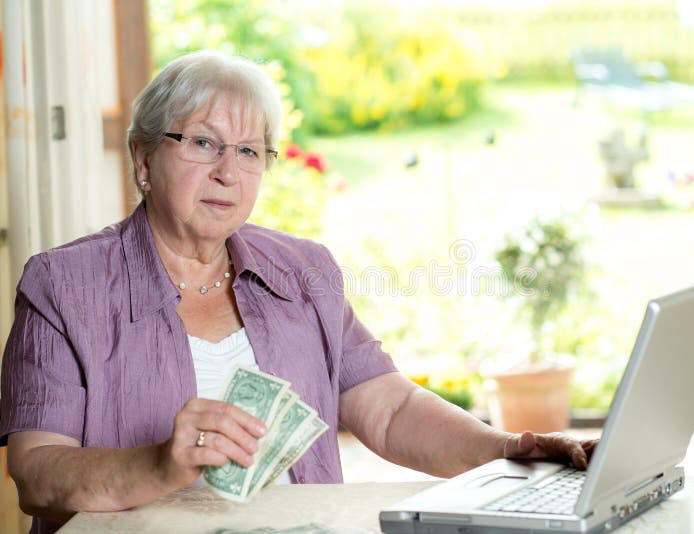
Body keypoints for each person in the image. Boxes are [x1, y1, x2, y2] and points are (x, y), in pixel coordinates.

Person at [0, 50, 597, 533]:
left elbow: (391, 411)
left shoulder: (304, 271)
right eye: (203, 143)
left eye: (250, 151)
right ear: (144, 158)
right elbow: (36, 476)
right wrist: (161, 463)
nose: (228, 172)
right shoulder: (62, 286)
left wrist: (508, 448)